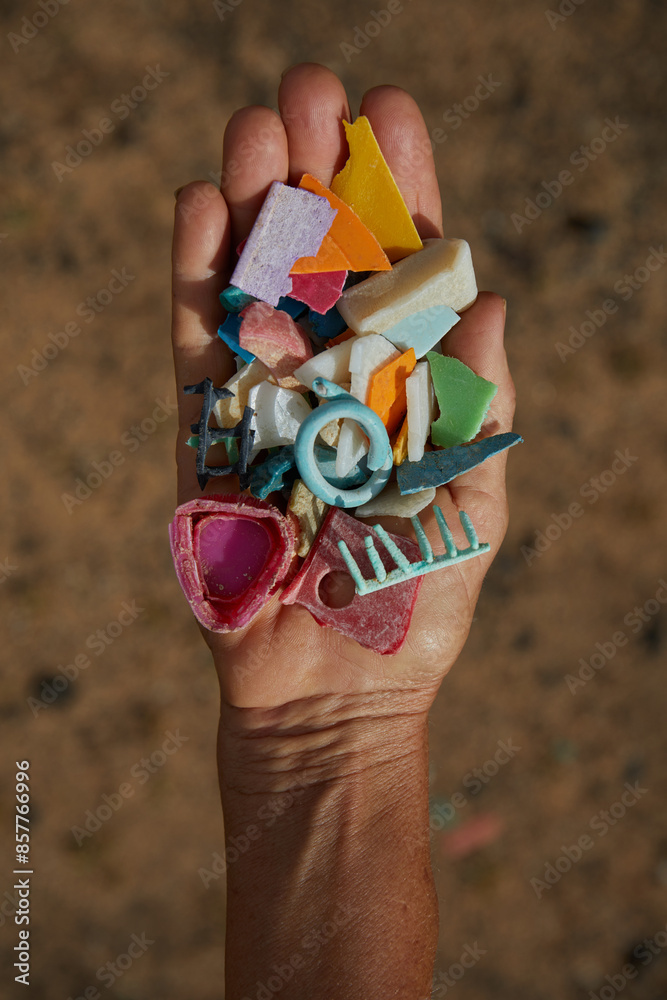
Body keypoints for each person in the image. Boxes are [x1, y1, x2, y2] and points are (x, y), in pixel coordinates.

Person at [171, 62, 515, 1000]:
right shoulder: (302, 381)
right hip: (328, 428)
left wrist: (339, 733)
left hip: (349, 430)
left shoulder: (364, 395)